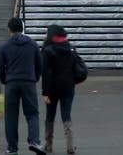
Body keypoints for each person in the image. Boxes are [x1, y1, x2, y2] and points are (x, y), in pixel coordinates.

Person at [0, 17, 46, 155]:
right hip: (28, 81)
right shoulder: (32, 45)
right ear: (22, 28)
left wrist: (4, 80)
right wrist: (35, 77)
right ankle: (34, 141)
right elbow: (39, 65)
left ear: (9, 29)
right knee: (32, 113)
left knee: (11, 116)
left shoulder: (5, 47)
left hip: (12, 82)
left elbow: (0, 68)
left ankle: (12, 148)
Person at [41, 24, 78, 154]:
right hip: (68, 87)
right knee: (66, 115)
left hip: (52, 88)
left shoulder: (47, 50)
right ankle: (69, 146)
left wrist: (45, 92)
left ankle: (48, 144)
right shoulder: (70, 48)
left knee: (50, 116)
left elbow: (45, 73)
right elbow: (75, 68)